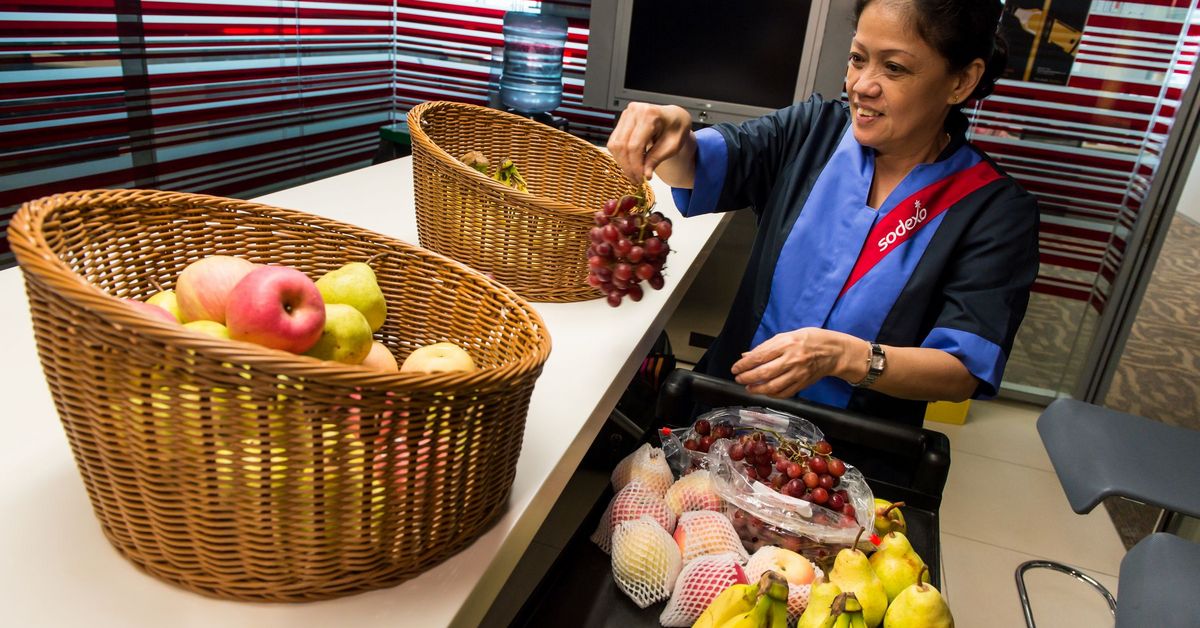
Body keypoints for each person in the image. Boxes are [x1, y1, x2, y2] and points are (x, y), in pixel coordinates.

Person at [607, 0, 1039, 426]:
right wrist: (672, 132)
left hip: (848, 454)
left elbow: (961, 369)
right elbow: (699, 165)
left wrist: (846, 357)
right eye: (857, 59)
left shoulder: (992, 209)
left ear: (961, 81)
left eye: (894, 68)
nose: (862, 85)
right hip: (722, 410)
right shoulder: (813, 132)